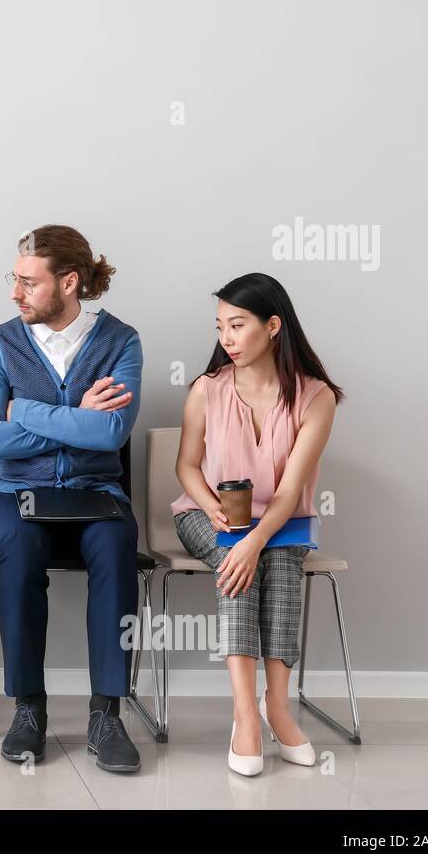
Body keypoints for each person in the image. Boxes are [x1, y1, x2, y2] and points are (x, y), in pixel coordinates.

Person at [0, 225, 144, 773]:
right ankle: (29, 710)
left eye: (28, 282)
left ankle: (106, 714)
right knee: (18, 551)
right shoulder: (0, 342)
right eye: (14, 280)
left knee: (117, 549)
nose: (14, 294)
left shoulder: (121, 341)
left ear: (69, 283)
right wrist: (76, 420)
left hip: (96, 493)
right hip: (15, 492)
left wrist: (25, 411)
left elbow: (111, 434)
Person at [171, 272, 342, 776]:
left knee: (276, 561)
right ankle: (245, 714)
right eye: (220, 326)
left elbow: (289, 493)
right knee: (235, 560)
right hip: (206, 518)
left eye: (237, 325)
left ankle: (279, 706)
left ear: (272, 326)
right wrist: (213, 510)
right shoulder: (207, 389)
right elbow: (186, 466)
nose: (226, 337)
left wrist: (257, 540)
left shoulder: (317, 398)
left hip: (282, 524)